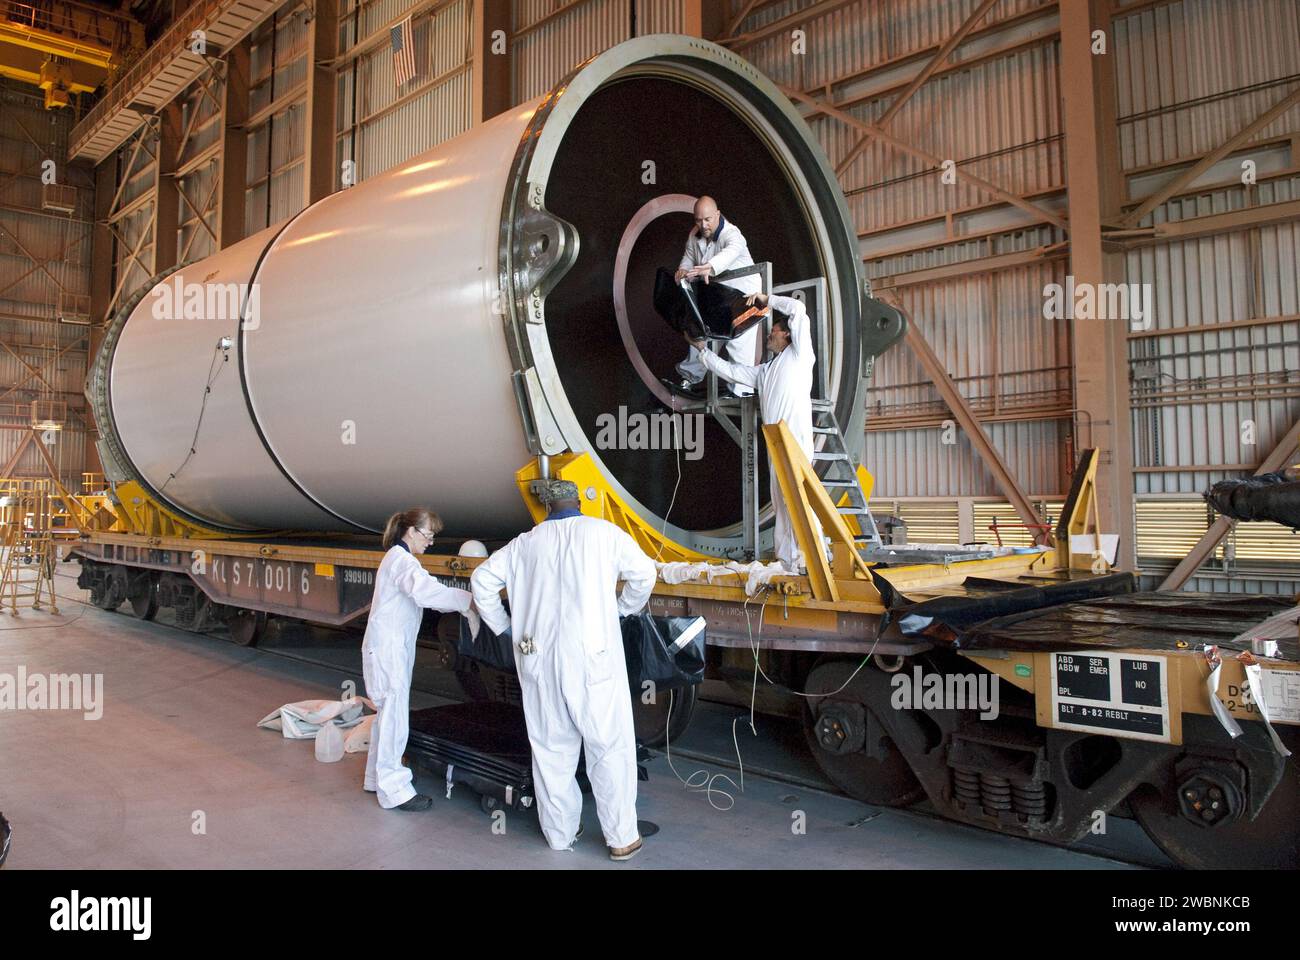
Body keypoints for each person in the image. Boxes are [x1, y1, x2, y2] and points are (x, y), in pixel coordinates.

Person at [470, 479, 657, 861]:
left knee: (551, 748)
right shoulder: (603, 533)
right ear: (578, 503)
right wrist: (622, 608)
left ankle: (559, 835)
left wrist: (504, 626)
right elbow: (644, 574)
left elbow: (481, 580)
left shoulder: (524, 543)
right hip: (593, 656)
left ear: (547, 508)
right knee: (608, 746)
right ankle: (621, 837)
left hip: (536, 656)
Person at [686, 291, 822, 572]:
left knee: (797, 500)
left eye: (773, 332)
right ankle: (788, 561)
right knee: (781, 502)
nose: (769, 336)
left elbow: (797, 308)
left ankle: (814, 556)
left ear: (787, 335)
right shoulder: (766, 371)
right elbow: (732, 372)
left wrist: (766, 299)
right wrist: (702, 351)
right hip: (776, 445)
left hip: (795, 442)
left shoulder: (800, 356)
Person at [362, 508, 478, 811]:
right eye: (428, 535)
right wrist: (470, 601)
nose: (430, 542)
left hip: (388, 648)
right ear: (411, 531)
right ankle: (394, 790)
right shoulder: (402, 561)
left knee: (387, 715)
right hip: (388, 652)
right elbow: (426, 592)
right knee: (394, 718)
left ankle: (376, 780)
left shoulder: (397, 559)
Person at [670, 196, 760, 397]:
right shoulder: (695, 234)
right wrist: (682, 270)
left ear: (717, 215)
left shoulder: (732, 233)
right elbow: (688, 257)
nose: (704, 225)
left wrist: (711, 266)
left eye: (708, 219)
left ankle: (742, 390)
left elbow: (733, 250)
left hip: (746, 295)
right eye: (699, 220)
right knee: (699, 331)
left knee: (739, 345)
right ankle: (689, 379)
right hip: (720, 295)